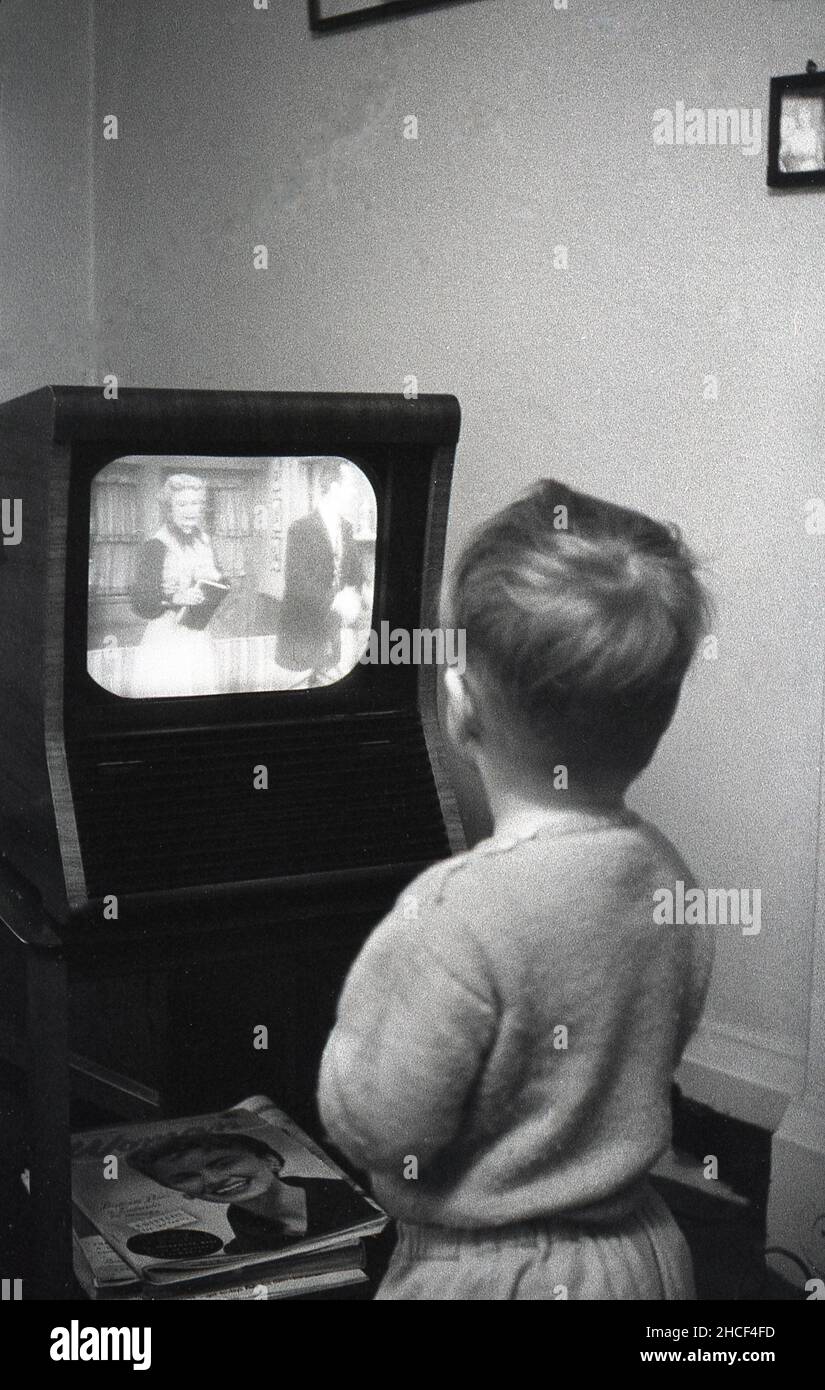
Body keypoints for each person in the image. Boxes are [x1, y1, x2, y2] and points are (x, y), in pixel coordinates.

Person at [317, 480, 715, 1300]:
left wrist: (345, 1062)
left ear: (459, 704)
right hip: (641, 1254)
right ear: (659, 716)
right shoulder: (667, 873)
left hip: (487, 1274)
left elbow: (387, 1130)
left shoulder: (454, 911)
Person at [130, 1129, 368, 1255]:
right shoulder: (239, 1251)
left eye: (223, 1163)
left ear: (271, 1160)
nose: (213, 1180)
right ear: (183, 1193)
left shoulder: (357, 1199)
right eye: (185, 1178)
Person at [130, 474, 226, 697]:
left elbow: (218, 581)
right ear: (169, 508)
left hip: (198, 633)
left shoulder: (204, 540)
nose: (190, 510)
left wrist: (217, 580)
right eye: (182, 504)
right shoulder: (156, 545)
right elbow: (141, 599)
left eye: (195, 503)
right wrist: (175, 598)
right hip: (166, 637)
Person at [277, 460, 365, 678]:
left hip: (331, 634)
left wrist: (363, 594)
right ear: (334, 488)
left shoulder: (346, 528)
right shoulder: (301, 528)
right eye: (351, 486)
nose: (355, 493)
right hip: (301, 636)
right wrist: (336, 601)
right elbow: (297, 582)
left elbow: (356, 575)